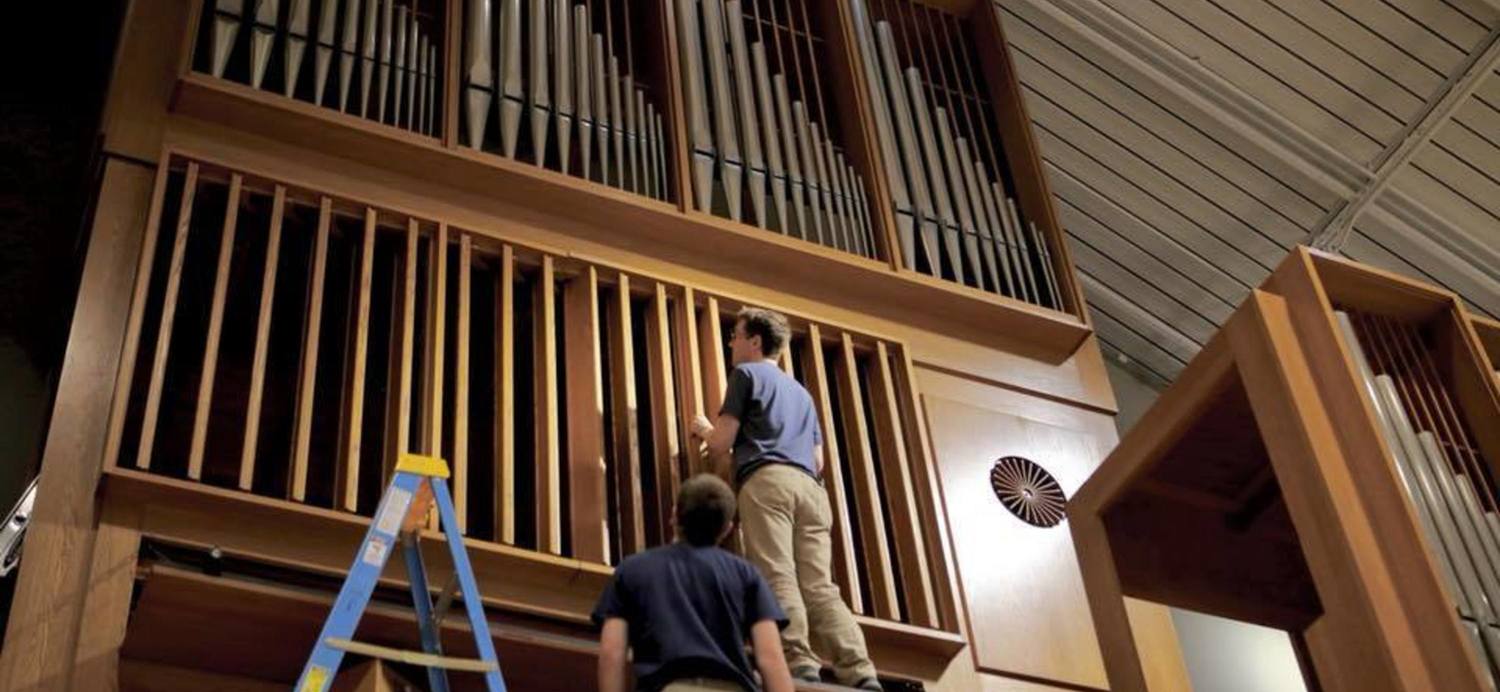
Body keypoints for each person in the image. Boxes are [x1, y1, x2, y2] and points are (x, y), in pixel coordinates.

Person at [691, 307, 881, 690]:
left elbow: (723, 442)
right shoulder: (802, 393)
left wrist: (704, 431)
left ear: (755, 340)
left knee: (777, 574)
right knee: (820, 587)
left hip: (768, 482)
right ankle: (860, 671)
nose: (731, 342)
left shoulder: (745, 375)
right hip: (811, 490)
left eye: (736, 334)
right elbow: (819, 460)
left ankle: (799, 663)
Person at [593, 474, 796, 692]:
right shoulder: (748, 574)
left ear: (674, 516)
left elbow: (612, 653)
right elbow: (770, 658)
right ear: (727, 529)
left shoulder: (632, 569)